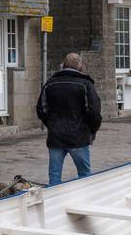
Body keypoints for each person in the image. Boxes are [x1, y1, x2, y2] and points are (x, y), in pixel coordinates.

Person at [36, 53, 103, 184]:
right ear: (80, 66)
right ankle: (84, 199)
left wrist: (51, 124)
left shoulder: (50, 83)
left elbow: (41, 109)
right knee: (84, 176)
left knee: (54, 177)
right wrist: (92, 131)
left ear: (63, 65)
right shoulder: (85, 84)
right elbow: (94, 112)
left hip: (55, 137)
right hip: (79, 137)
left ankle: (55, 201)